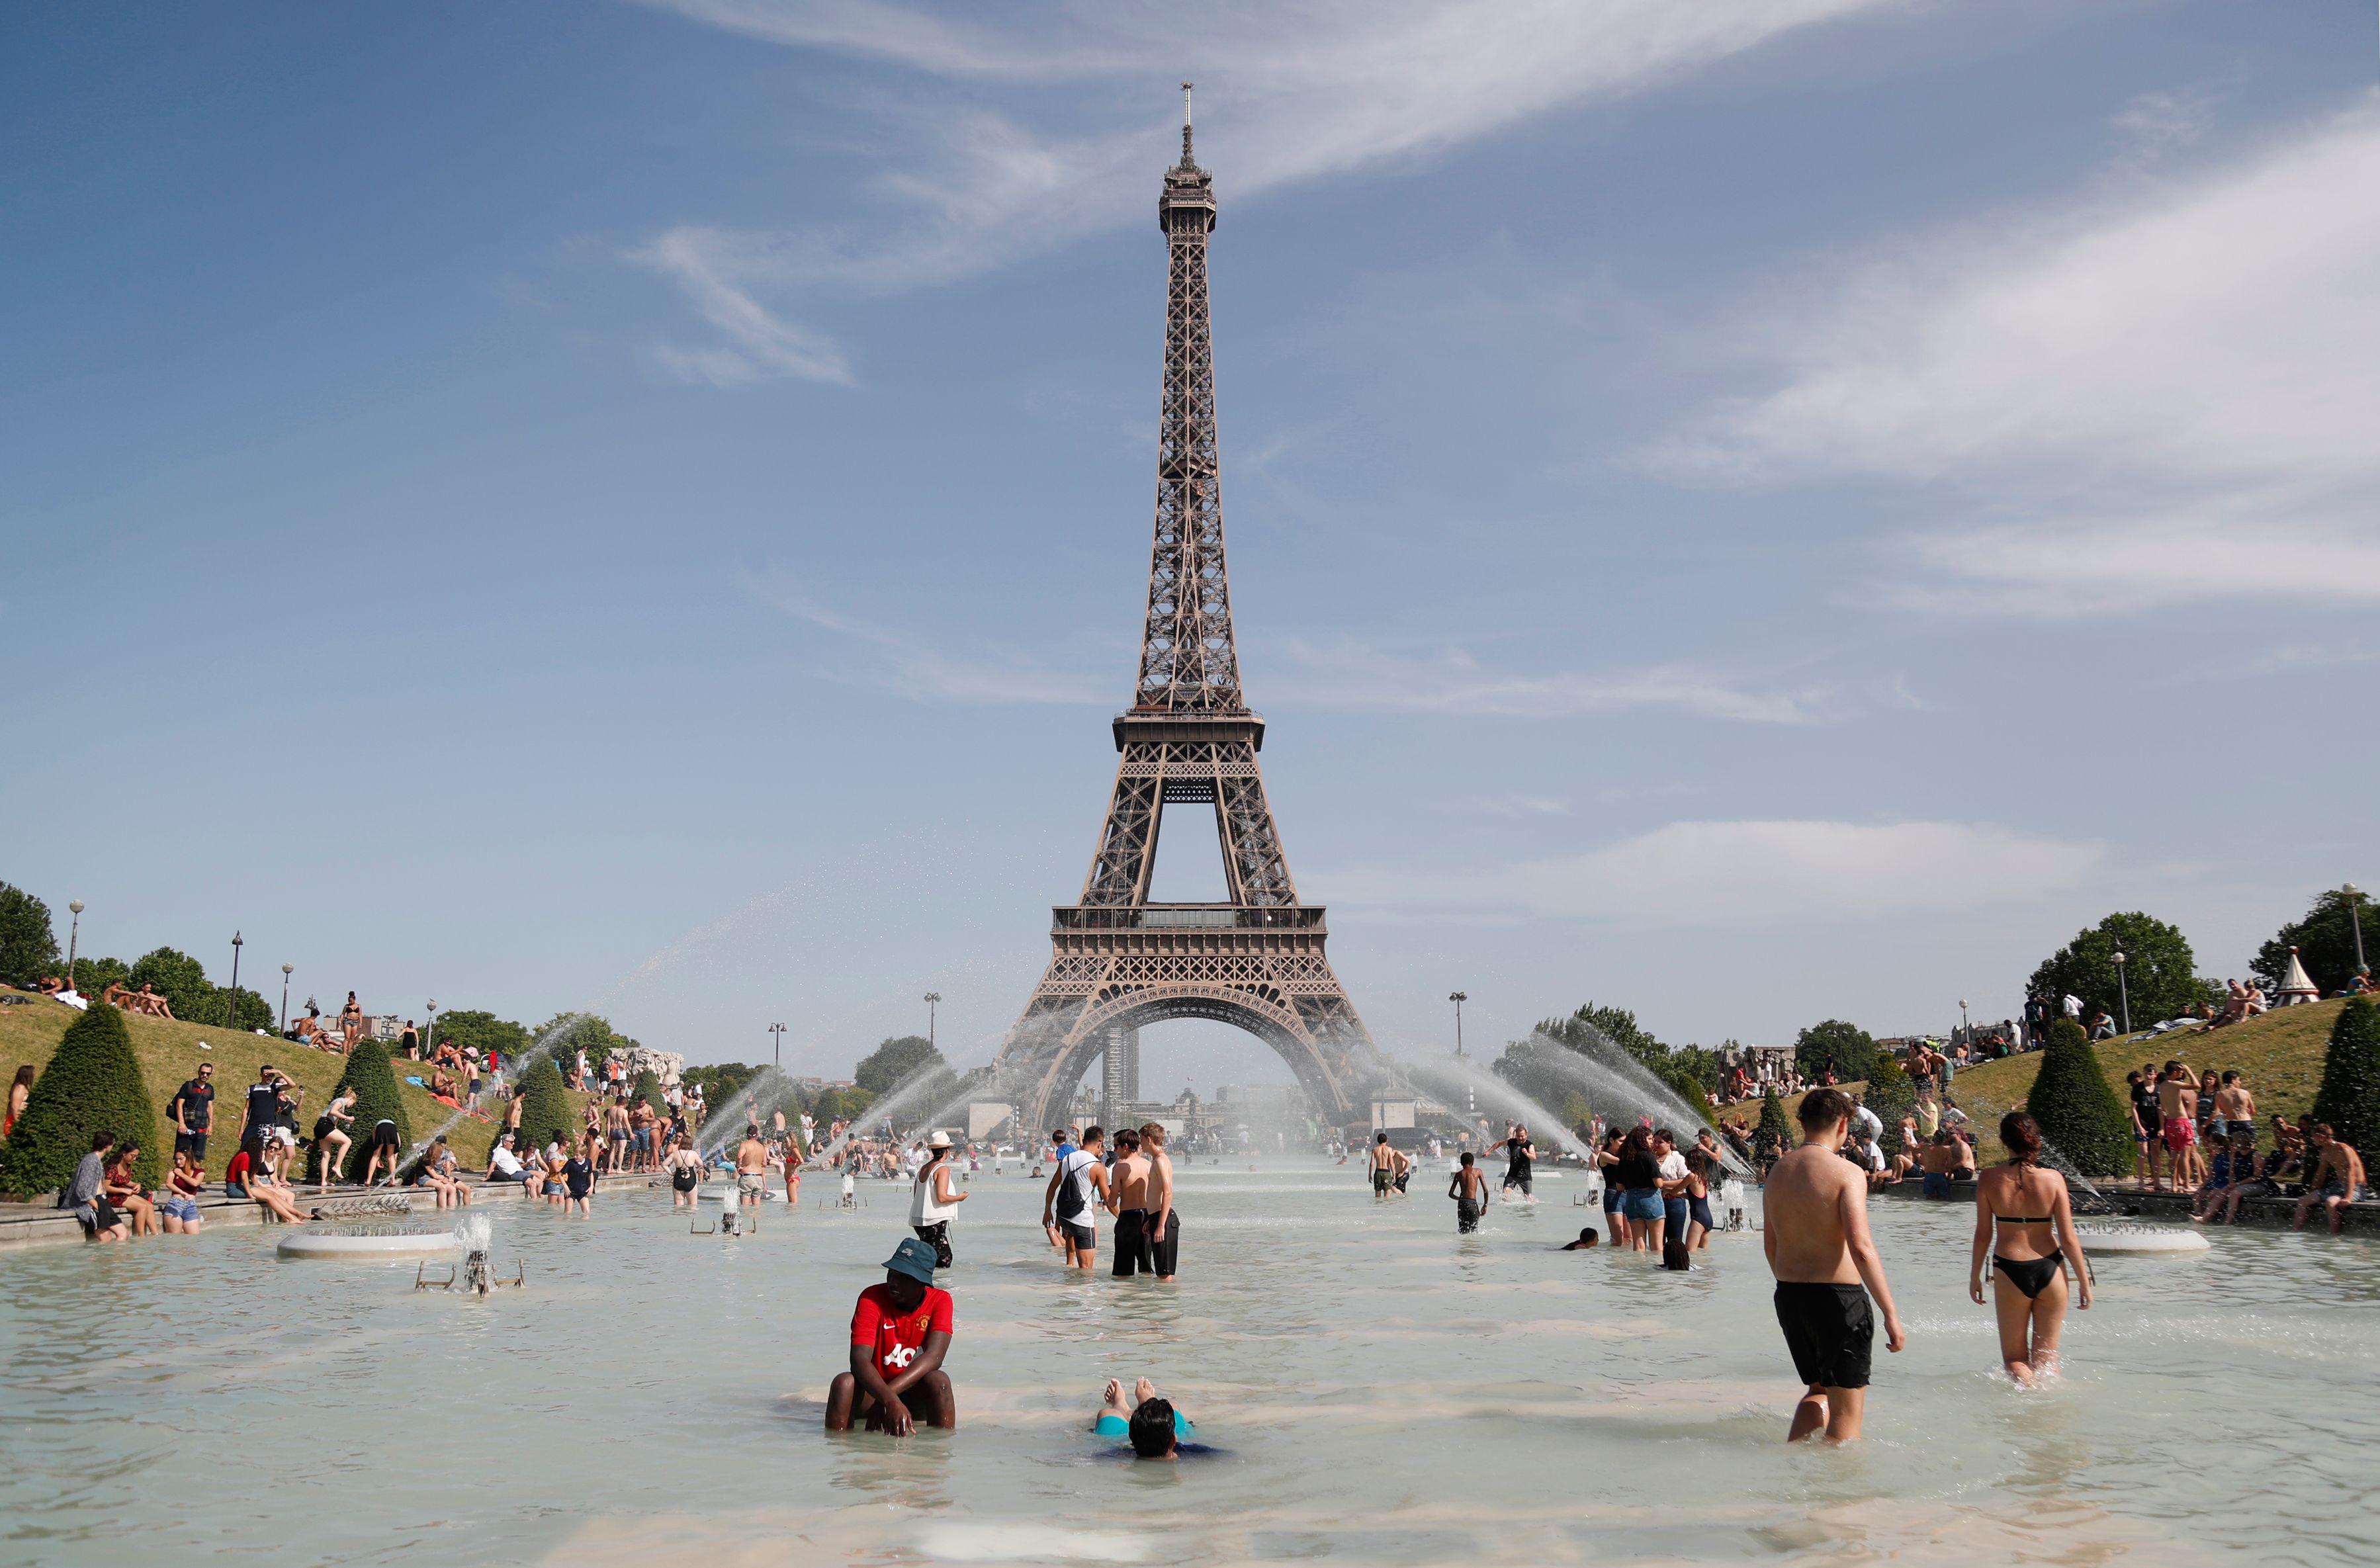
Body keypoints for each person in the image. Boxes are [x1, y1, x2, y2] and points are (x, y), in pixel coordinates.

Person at [1763, 1088, 1906, 1443]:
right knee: (1846, 1413)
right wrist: (1890, 1312)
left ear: (1801, 1123)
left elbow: (1771, 1246)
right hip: (1840, 1299)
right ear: (1843, 1124)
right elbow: (1861, 1247)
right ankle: (1838, 1495)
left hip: (1791, 1296)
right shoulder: (1848, 1172)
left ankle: (1794, 1472)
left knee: (1818, 1391)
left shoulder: (1777, 1172)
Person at [1968, 1111, 2091, 1384]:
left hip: (2010, 1268)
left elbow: (1982, 1234)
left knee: (2015, 1360)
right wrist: (2084, 1281)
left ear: (2004, 1141)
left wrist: (1975, 1276)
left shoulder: (1989, 1178)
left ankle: (2027, 1404)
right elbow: (2069, 1237)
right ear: (2036, 1140)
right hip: (2051, 1268)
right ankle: (2049, 1414)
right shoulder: (2054, 1179)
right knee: (2047, 1361)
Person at [826, 1237, 956, 1434]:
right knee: (843, 1383)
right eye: (892, 1274)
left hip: (913, 1393)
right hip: (874, 1391)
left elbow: (934, 1357)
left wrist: (890, 1398)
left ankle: (937, 1453)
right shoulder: (871, 1298)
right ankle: (841, 1454)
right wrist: (887, 1399)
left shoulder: (940, 1301)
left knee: (940, 1382)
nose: (894, 1282)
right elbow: (859, 1360)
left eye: (904, 1278)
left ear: (922, 1283)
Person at [1042, 1125, 1108, 1270]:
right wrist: (1122, 1217)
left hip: (1065, 1216)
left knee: (1071, 1264)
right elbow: (1108, 1199)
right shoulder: (1097, 1166)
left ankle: (1068, 1288)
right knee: (1086, 1269)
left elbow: (1052, 1186)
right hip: (1083, 1219)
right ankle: (1082, 1292)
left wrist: (1047, 1211)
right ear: (1099, 1143)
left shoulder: (1067, 1159)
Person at [1088, 1376, 1202, 1459]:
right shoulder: (1193, 1453)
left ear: (1130, 1435)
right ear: (1174, 1440)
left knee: (1107, 1413)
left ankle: (1120, 1404)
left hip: (1122, 1437)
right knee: (1172, 1407)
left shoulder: (1113, 1455)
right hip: (1155, 1435)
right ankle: (1146, 1404)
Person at [2292, 1125, 2370, 1235]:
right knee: (2302, 1201)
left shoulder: (2343, 1148)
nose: (2312, 1139)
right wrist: (2313, 1191)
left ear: (2321, 1136)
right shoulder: (2324, 1152)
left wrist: (2348, 1197)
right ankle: (2295, 1234)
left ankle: (2334, 1237)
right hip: (2338, 1186)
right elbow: (2320, 1174)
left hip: (2356, 1187)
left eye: (2314, 1136)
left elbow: (2350, 1172)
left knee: (2330, 1202)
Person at [910, 1131, 966, 1270]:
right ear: (946, 1151)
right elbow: (942, 1197)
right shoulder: (942, 1169)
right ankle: (934, 1286)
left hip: (921, 1220)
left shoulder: (924, 1168)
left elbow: (916, 1194)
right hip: (933, 1220)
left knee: (936, 1256)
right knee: (942, 1258)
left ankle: (932, 1285)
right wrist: (960, 1198)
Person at [1612, 1129, 1665, 1252]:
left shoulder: (1624, 1158)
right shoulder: (1648, 1156)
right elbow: (1659, 1183)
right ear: (1642, 1140)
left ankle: (1638, 1268)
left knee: (1638, 1245)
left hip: (1632, 1200)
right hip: (1650, 1199)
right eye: (1650, 1139)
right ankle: (1656, 1270)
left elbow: (1619, 1187)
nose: (1652, 1142)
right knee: (1657, 1246)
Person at [1141, 1123, 1180, 1282]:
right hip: (1157, 1217)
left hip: (1164, 1219)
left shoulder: (1160, 1161)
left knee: (1164, 1273)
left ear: (1149, 1139)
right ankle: (1161, 1303)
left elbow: (1168, 1191)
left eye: (1142, 1140)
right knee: (1161, 1271)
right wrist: (1151, 1220)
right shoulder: (1156, 1160)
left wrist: (1160, 1225)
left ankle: (1166, 1304)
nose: (1141, 1144)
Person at [105, 1141, 159, 1237]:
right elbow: (106, 1187)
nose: (134, 1159)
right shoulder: (112, 1167)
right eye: (133, 1156)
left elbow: (125, 1181)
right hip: (112, 1196)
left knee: (149, 1206)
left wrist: (136, 1184)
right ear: (124, 1153)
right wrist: (123, 1190)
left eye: (136, 1156)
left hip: (124, 1193)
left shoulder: (127, 1165)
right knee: (142, 1207)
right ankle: (141, 1236)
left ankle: (156, 1234)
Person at [167, 1063, 216, 1168]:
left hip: (202, 1128)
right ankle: (179, 1181)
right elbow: (179, 1104)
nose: (205, 1076)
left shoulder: (210, 1089)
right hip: (188, 1126)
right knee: (181, 1156)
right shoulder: (188, 1086)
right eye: (203, 1073)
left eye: (208, 1074)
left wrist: (210, 1125)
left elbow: (210, 1107)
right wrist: (181, 1123)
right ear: (199, 1072)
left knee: (197, 1157)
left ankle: (192, 1182)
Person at [312, 1088, 356, 1194]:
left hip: (321, 1126)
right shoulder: (341, 1101)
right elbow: (333, 1112)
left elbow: (334, 1125)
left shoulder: (340, 1104)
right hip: (325, 1125)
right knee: (347, 1142)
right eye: (353, 1103)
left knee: (326, 1155)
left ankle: (324, 1181)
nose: (351, 1106)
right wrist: (347, 1118)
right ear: (351, 1099)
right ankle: (337, 1166)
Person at [159, 1151, 206, 1233]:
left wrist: (181, 1174)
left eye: (181, 1159)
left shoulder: (199, 1172)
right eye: (176, 1159)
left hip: (191, 1205)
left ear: (189, 1158)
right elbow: (169, 1184)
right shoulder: (173, 1172)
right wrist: (181, 1192)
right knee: (174, 1237)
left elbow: (195, 1183)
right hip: (175, 1204)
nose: (178, 1162)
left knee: (194, 1237)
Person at [485, 1131, 538, 1196]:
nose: (513, 1143)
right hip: (513, 1173)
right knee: (533, 1184)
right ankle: (534, 1203)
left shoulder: (508, 1151)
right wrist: (487, 1177)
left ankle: (541, 1201)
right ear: (505, 1143)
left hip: (520, 1171)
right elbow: (493, 1164)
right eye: (511, 1142)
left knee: (540, 1182)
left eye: (513, 1142)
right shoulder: (499, 1152)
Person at [1449, 1151, 1487, 1234]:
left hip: (1462, 1204)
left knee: (1463, 1231)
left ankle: (1463, 1247)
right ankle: (1471, 1246)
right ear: (1472, 1163)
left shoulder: (1459, 1174)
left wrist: (1460, 1199)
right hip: (1472, 1203)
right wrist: (1485, 1205)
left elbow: (1450, 1194)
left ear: (1462, 1163)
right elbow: (1486, 1191)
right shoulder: (1478, 1171)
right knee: (1473, 1231)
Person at [362, 1116, 404, 1188]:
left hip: (381, 1127)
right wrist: (395, 1158)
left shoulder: (376, 1127)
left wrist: (378, 1158)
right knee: (391, 1157)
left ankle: (368, 1181)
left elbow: (375, 1142)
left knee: (375, 1156)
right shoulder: (394, 1127)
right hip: (392, 1128)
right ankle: (393, 1181)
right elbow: (399, 1144)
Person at [734, 1129, 771, 1206]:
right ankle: (755, 1218)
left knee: (745, 1207)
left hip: (747, 1177)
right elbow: (764, 1164)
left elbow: (739, 1156)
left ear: (747, 1134)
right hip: (758, 1178)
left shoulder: (744, 1144)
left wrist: (738, 1166)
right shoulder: (761, 1147)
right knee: (756, 1207)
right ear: (757, 1134)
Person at [563, 1135, 595, 1216]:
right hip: (571, 1192)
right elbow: (560, 1175)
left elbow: (590, 1174)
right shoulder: (571, 1163)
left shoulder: (588, 1162)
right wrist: (566, 1187)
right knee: (568, 1214)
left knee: (587, 1213)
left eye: (577, 1155)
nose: (575, 1157)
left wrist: (592, 1186)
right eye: (574, 1154)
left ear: (584, 1155)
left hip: (582, 1191)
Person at [1502, 1123, 1535, 1198]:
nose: (1520, 1138)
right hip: (1512, 1174)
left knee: (1529, 1198)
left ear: (1526, 1135)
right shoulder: (1511, 1142)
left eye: (1522, 1136)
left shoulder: (1529, 1145)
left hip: (1525, 1176)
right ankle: (1507, 1208)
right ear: (1516, 1135)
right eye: (1518, 1136)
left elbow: (1533, 1156)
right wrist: (1488, 1152)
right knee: (1505, 1194)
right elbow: (1499, 1143)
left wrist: (1527, 1154)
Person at [5, 1063, 32, 1139]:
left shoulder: (22, 1087)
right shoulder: (20, 1088)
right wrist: (18, 1124)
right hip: (14, 1122)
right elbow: (15, 1107)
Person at [1367, 1131, 1397, 1199]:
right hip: (1386, 1172)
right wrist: (1394, 1175)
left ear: (1378, 1141)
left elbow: (1372, 1163)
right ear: (1386, 1140)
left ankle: (1378, 1209)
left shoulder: (1375, 1149)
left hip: (1378, 1173)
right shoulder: (1389, 1149)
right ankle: (1385, 1209)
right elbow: (1391, 1163)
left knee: (1377, 1196)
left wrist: (1370, 1175)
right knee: (1387, 1197)